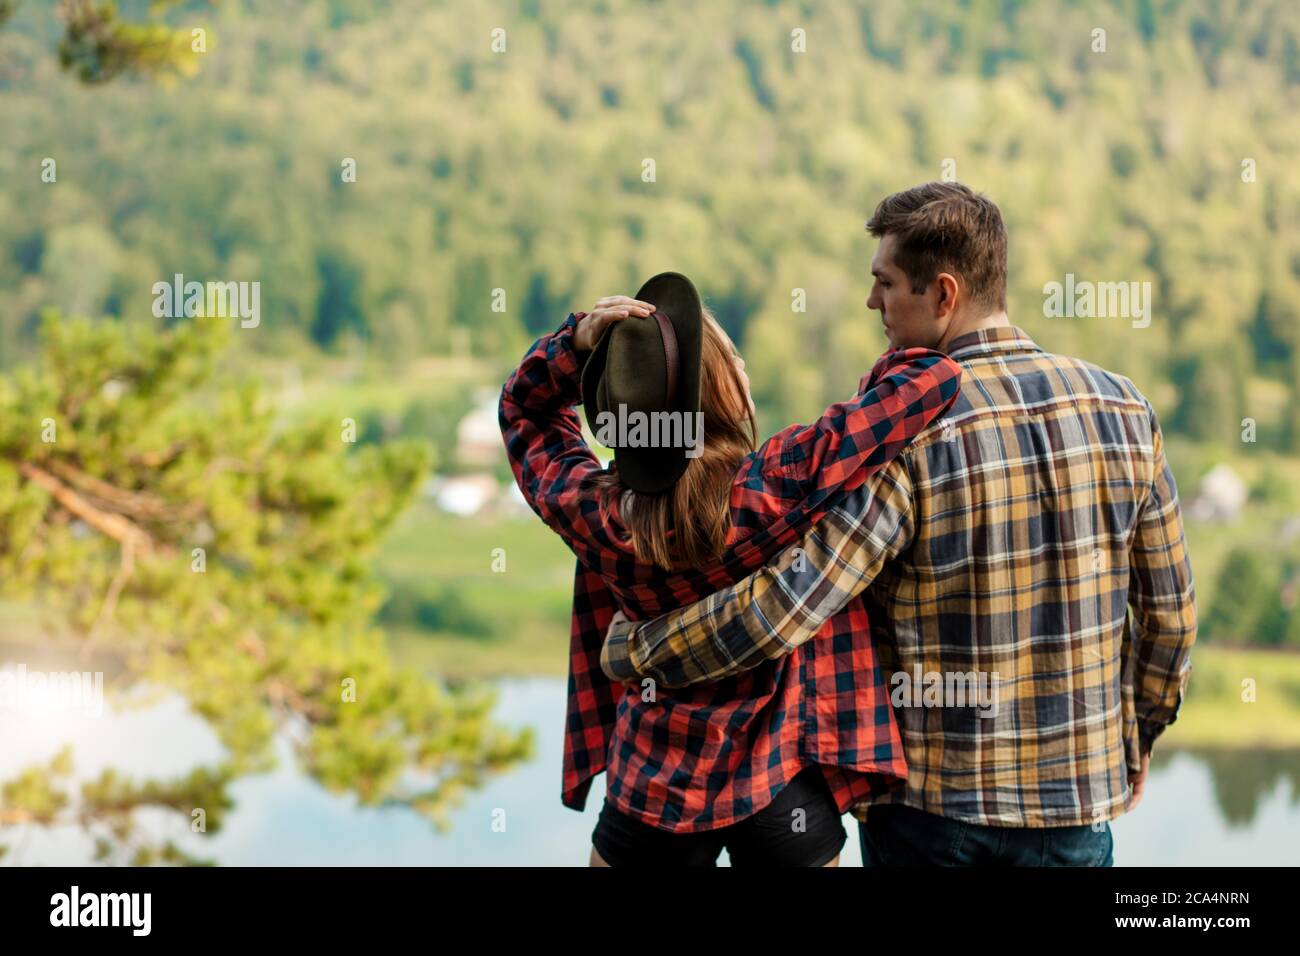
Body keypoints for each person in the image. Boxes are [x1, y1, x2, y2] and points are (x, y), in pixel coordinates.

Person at [602, 185, 1198, 867]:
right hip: (1078, 808)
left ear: (943, 294)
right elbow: (1170, 620)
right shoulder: (1125, 410)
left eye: (884, 283)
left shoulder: (907, 431)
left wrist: (641, 653)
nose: (872, 303)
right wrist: (1136, 736)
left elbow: (786, 607)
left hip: (933, 819)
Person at [499, 271, 961, 866]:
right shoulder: (773, 486)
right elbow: (929, 380)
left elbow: (523, 410)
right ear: (725, 392)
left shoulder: (597, 514)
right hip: (779, 783)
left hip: (651, 788)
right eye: (733, 363)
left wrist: (575, 346)